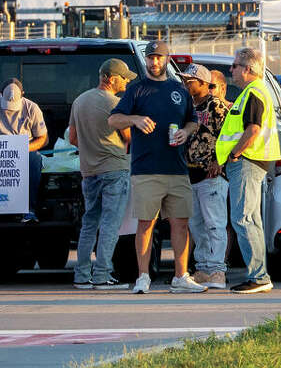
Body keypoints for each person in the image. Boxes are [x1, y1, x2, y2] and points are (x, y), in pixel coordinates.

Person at [109, 41, 202, 293]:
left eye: (159, 57)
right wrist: (135, 119)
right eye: (150, 58)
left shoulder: (179, 90)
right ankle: (143, 276)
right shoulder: (136, 89)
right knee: (146, 223)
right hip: (146, 169)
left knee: (181, 223)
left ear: (166, 59)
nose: (154, 62)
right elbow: (113, 119)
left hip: (177, 168)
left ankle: (181, 276)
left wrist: (185, 132)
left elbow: (192, 120)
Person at [217, 47, 280, 293]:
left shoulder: (253, 92)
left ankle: (259, 276)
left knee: (243, 218)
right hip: (251, 161)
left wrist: (234, 153)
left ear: (247, 69)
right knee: (251, 218)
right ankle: (258, 274)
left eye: (234, 66)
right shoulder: (253, 92)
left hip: (247, 161)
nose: (230, 70)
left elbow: (252, 130)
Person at [68, 58, 135, 289]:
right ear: (111, 78)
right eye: (124, 77)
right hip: (114, 169)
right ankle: (102, 274)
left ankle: (81, 275)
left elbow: (73, 138)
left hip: (88, 171)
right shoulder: (116, 103)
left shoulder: (79, 101)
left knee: (89, 223)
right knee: (110, 223)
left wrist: (90, 149)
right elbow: (128, 138)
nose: (126, 81)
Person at [178, 65, 231, 288]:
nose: (185, 84)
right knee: (196, 224)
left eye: (190, 81)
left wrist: (220, 160)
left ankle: (218, 270)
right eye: (185, 80)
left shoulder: (216, 106)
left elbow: (230, 135)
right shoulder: (186, 106)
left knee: (215, 224)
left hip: (211, 174)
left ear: (202, 83)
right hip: (189, 173)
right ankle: (202, 268)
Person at [0, 76, 49, 223]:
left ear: (23, 94)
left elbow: (43, 139)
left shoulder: (32, 108)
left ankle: (29, 209)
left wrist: (22, 149)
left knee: (34, 160)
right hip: (1, 150)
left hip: (25, 150)